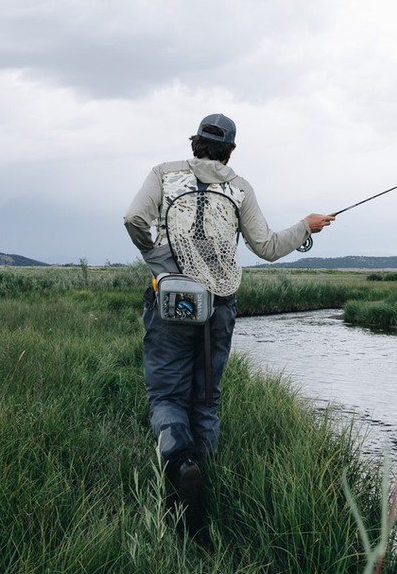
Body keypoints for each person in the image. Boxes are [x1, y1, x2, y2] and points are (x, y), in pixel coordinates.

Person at [123, 113, 333, 533]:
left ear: (195, 143)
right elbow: (268, 247)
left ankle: (181, 464)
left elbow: (134, 220)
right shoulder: (240, 188)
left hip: (170, 302)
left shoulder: (163, 174)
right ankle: (202, 495)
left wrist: (165, 266)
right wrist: (306, 227)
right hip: (219, 306)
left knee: (166, 396)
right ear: (231, 151)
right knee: (206, 399)